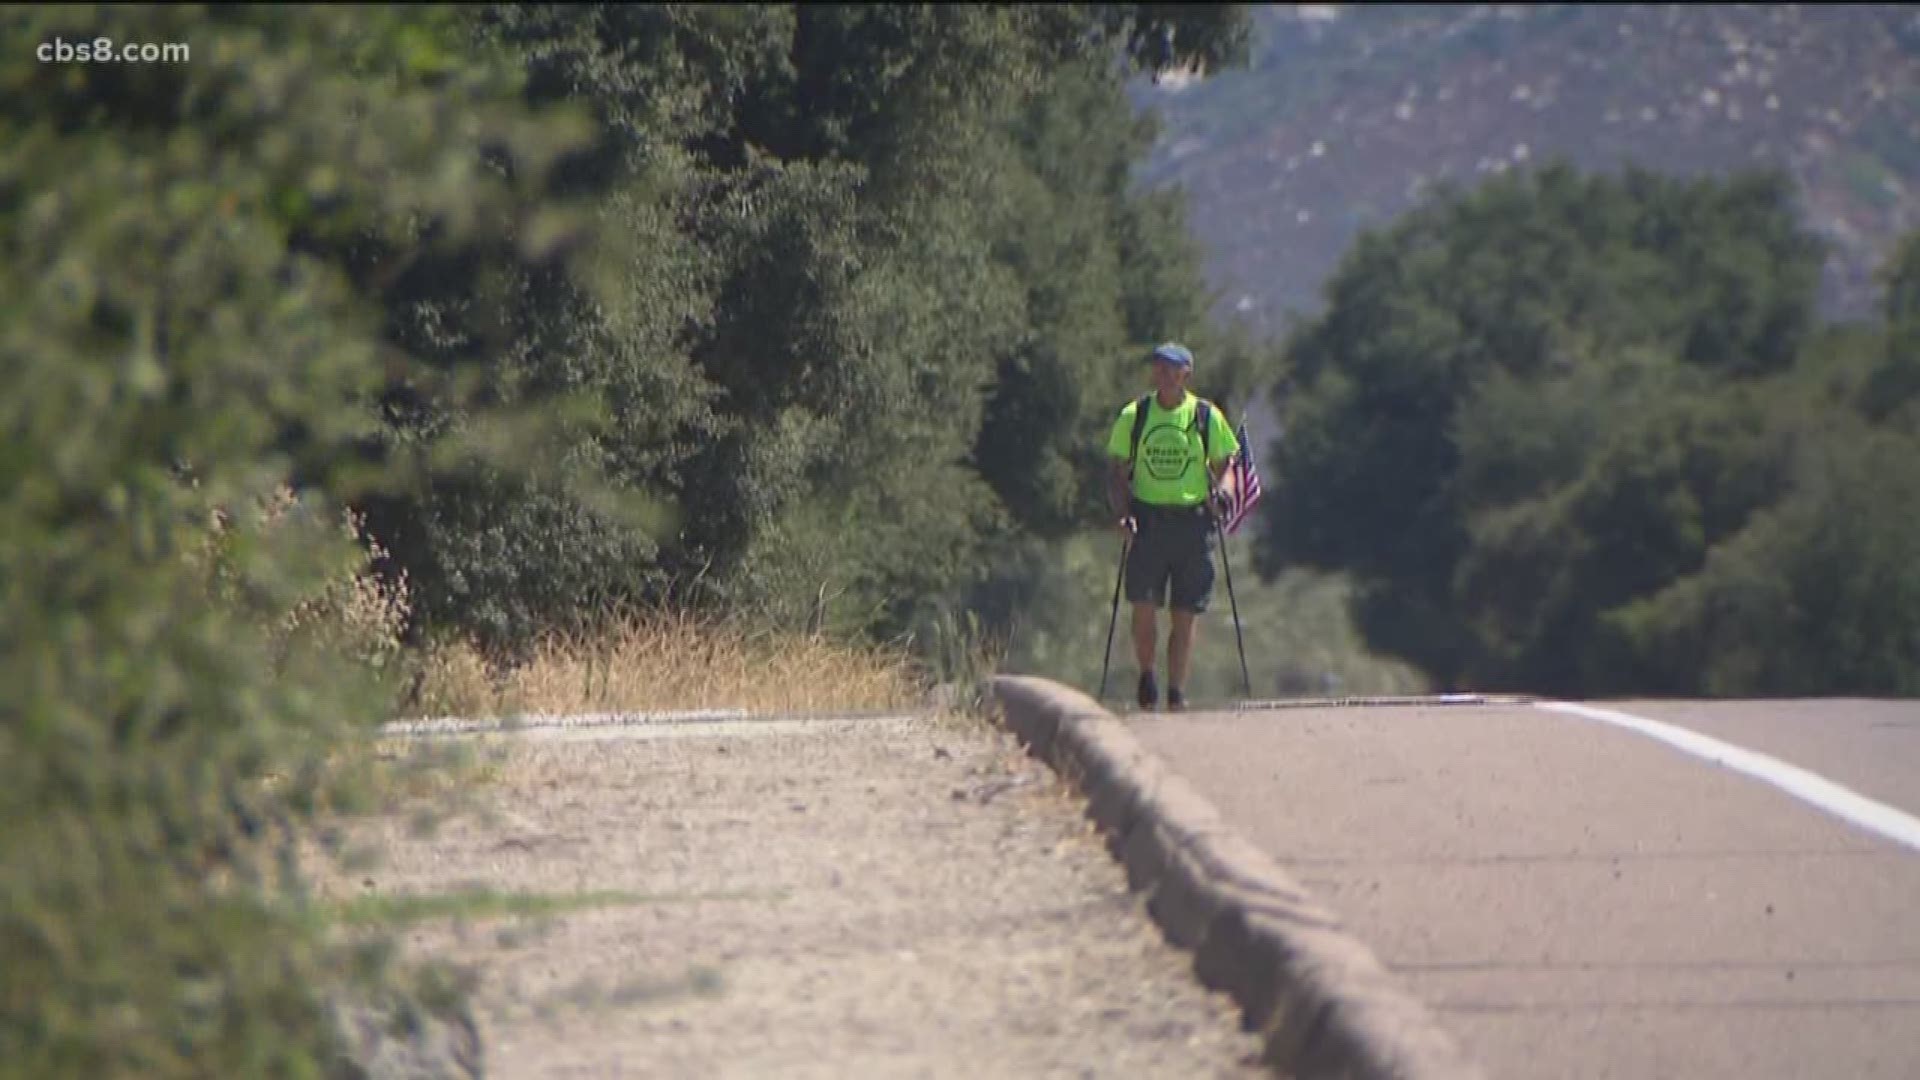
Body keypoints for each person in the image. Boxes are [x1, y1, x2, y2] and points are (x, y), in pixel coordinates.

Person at [1104, 342, 1239, 712]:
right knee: (1143, 604)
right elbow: (1116, 471)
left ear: (1186, 374)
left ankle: (1177, 690)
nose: (1164, 375)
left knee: (1185, 612)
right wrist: (1122, 512)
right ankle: (1147, 672)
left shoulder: (1204, 416)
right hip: (1148, 521)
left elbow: (1225, 466)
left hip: (1192, 524)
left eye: (1172, 369)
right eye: (1159, 368)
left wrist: (1223, 495)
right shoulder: (1136, 415)